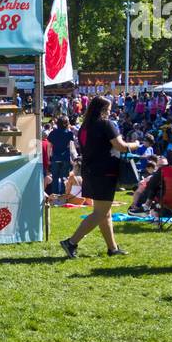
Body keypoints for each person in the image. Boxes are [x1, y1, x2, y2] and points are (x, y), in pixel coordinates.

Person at [59, 95, 136, 258]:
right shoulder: (106, 124)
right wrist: (135, 145)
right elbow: (120, 146)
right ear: (102, 110)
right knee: (100, 213)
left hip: (90, 171)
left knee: (104, 212)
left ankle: (112, 248)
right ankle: (71, 242)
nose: (109, 113)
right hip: (104, 172)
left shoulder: (84, 127)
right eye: (108, 110)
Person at [45, 115, 75, 195]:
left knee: (55, 178)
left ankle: (55, 195)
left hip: (55, 157)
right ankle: (63, 195)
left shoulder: (53, 133)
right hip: (65, 158)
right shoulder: (69, 133)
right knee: (64, 178)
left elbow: (49, 147)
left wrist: (48, 158)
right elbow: (71, 147)